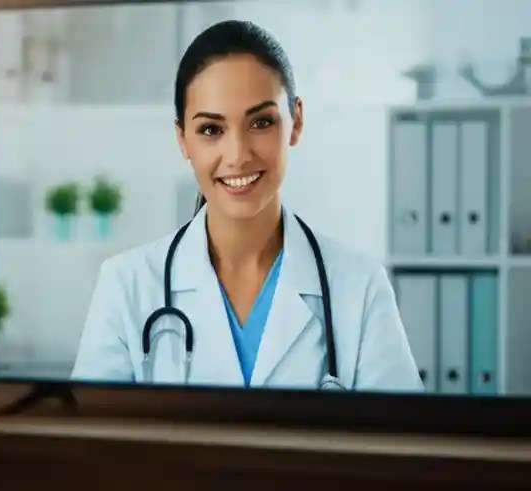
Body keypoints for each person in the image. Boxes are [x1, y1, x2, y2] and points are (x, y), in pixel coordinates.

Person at [71, 20, 422, 392]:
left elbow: (399, 443)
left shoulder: (359, 287)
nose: (237, 155)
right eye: (211, 129)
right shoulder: (126, 287)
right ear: (182, 139)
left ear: (296, 122)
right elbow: (92, 444)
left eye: (261, 122)